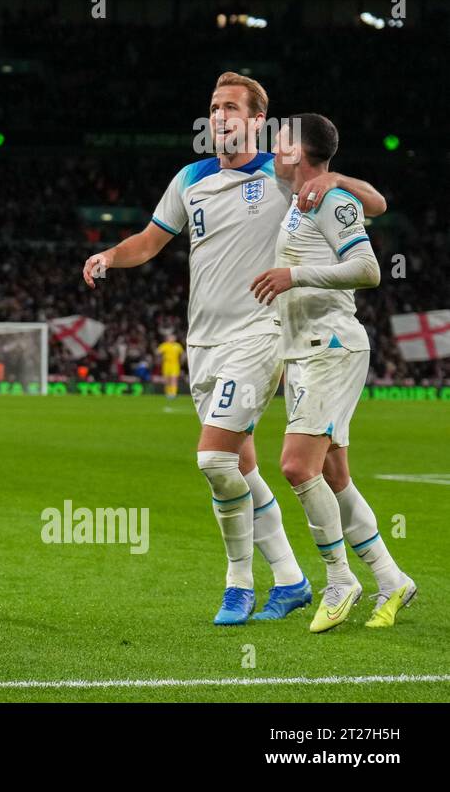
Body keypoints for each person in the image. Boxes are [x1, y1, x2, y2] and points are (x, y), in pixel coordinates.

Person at [81, 72, 387, 625]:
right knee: (239, 467)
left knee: (213, 458)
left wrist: (335, 176)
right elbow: (148, 242)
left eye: (230, 107)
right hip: (203, 341)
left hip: (259, 335)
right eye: (214, 107)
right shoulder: (190, 178)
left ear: (256, 121)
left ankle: (238, 583)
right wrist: (108, 257)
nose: (218, 115)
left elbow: (374, 203)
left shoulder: (280, 174)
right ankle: (291, 580)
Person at [250, 114, 416, 631]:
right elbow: (378, 201)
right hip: (305, 352)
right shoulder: (300, 194)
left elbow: (369, 269)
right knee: (333, 475)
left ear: (298, 152)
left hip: (332, 347)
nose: (272, 148)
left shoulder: (330, 200)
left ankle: (340, 579)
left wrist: (294, 275)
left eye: (280, 141)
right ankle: (391, 579)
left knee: (297, 467)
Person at [156, 332, 184, 400]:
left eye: (173, 337)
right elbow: (157, 352)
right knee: (167, 380)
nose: (173, 338)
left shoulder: (177, 345)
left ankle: (173, 394)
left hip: (175, 364)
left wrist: (181, 361)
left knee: (174, 379)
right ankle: (168, 393)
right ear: (167, 338)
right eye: (171, 337)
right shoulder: (164, 345)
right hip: (166, 364)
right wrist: (160, 357)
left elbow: (182, 354)